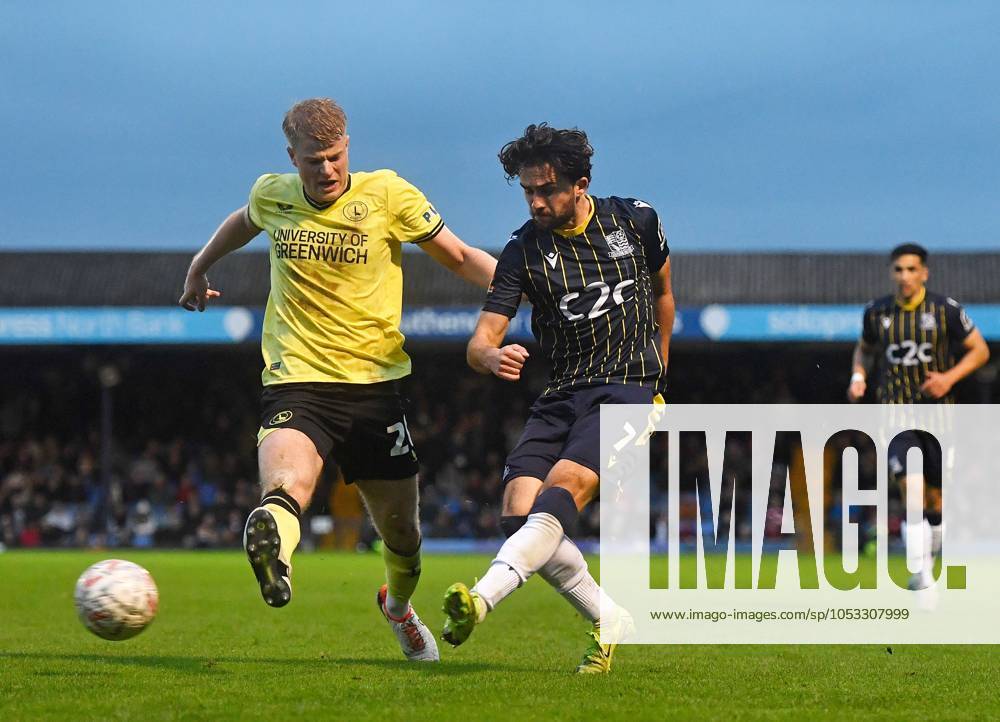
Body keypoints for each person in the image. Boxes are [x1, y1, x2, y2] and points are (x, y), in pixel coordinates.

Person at [178, 98, 497, 662]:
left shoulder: (388, 195)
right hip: (296, 379)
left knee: (404, 539)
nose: (325, 170)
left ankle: (397, 606)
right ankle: (274, 550)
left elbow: (460, 256)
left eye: (334, 157)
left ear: (348, 146)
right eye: (312, 161)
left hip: (377, 389)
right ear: (291, 158)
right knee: (286, 489)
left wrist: (530, 291)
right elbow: (240, 222)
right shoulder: (272, 194)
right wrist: (199, 267)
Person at [441, 124, 675, 673]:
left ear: (581, 185)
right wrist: (490, 357)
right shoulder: (523, 250)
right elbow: (481, 340)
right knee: (518, 514)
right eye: (528, 191)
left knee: (562, 489)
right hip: (563, 392)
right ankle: (608, 616)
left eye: (547, 190)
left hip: (627, 387)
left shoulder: (635, 220)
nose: (536, 201)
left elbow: (664, 293)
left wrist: (659, 378)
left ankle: (480, 600)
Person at [847, 243, 989, 592]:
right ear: (892, 272)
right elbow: (864, 351)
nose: (904, 276)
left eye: (911, 269)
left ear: (924, 272)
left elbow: (980, 350)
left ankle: (931, 556)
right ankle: (921, 573)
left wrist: (948, 379)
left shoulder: (945, 311)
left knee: (935, 501)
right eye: (898, 269)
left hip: (940, 420)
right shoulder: (877, 313)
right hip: (895, 416)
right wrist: (858, 377)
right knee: (911, 490)